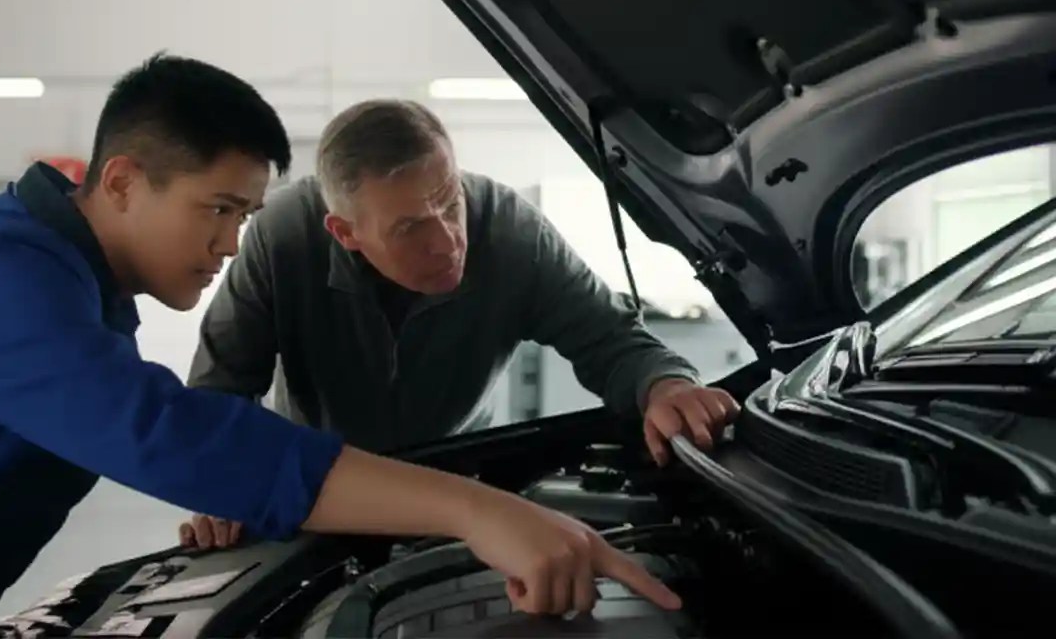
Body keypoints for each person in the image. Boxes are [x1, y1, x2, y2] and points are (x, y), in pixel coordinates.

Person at [0, 55, 682, 639]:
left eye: (245, 216)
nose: (231, 244)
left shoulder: (67, 278)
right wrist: (484, 512)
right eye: (217, 210)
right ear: (124, 182)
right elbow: (174, 433)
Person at [182, 99, 740, 550]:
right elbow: (222, 386)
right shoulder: (284, 236)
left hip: (461, 486)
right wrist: (220, 483)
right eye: (409, 228)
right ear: (345, 232)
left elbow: (613, 340)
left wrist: (666, 384)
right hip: (321, 492)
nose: (448, 241)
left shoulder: (509, 228)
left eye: (451, 203)